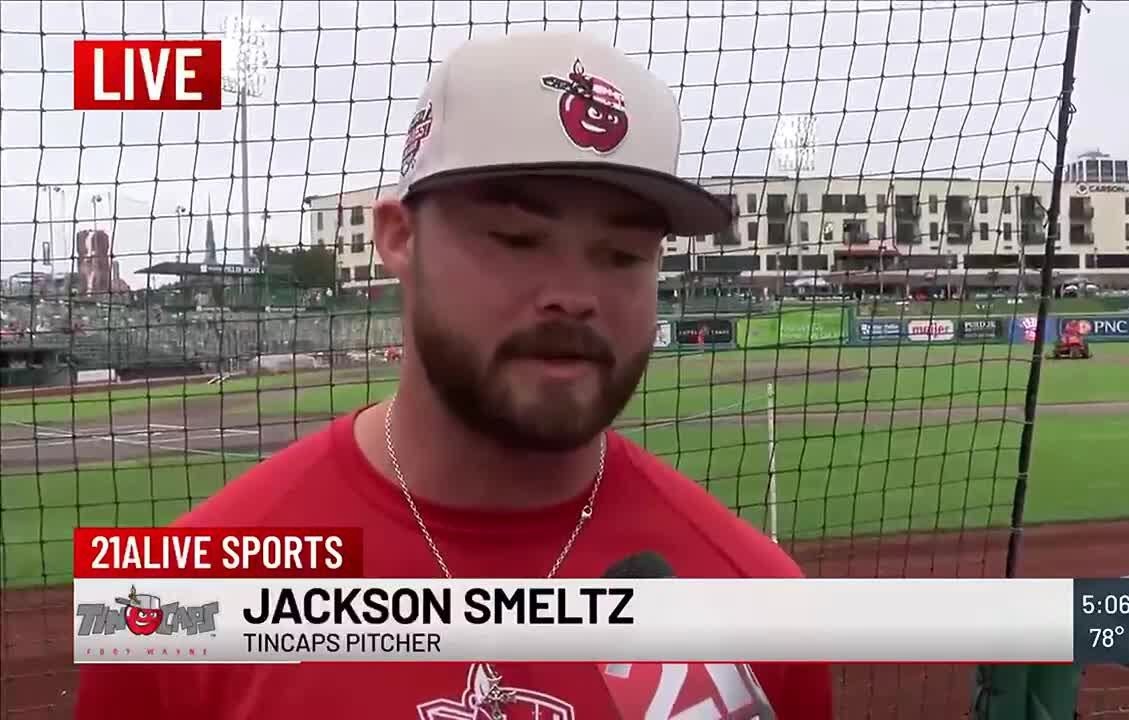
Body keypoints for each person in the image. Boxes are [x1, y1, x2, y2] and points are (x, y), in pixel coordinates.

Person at [74, 31, 835, 720]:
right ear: (398, 239)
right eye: (516, 238)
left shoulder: (753, 603)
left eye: (623, 255)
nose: (575, 293)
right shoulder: (174, 609)